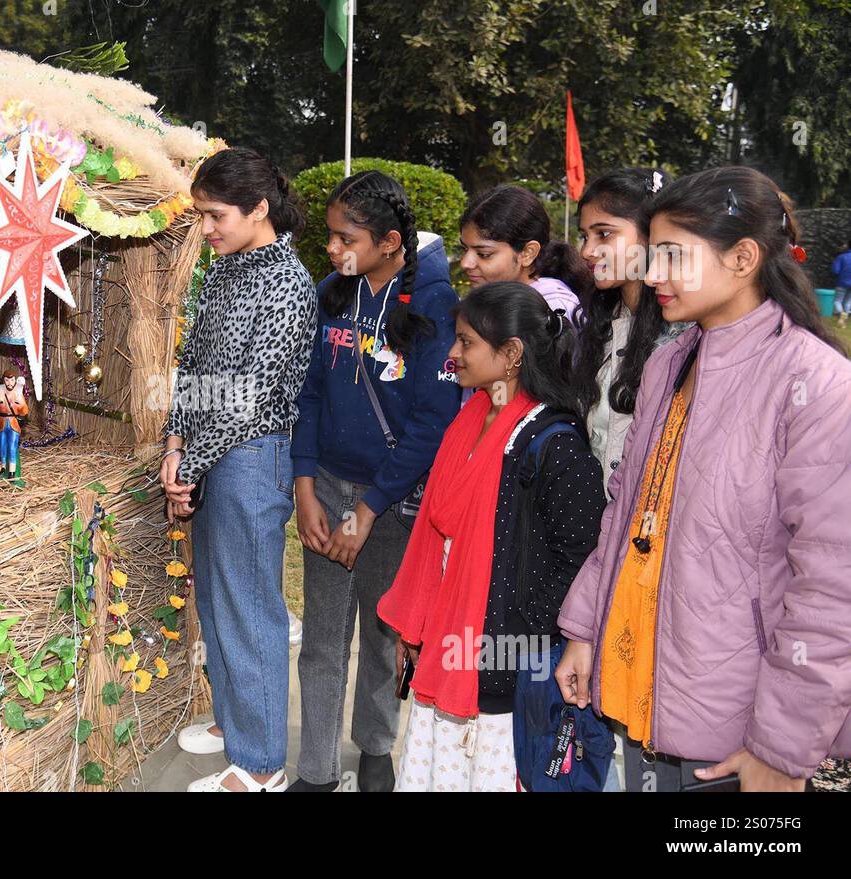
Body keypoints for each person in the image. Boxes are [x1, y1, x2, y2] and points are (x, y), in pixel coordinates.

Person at [556, 166, 851, 792]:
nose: (653, 273)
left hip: (734, 722)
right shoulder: (670, 360)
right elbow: (625, 511)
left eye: (672, 256)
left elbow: (832, 586)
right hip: (642, 685)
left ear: (743, 257)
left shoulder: (815, 385)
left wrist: (780, 747)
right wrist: (585, 628)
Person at [377, 281, 605, 792]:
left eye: (466, 342)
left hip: (501, 671)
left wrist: (514, 635)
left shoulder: (555, 446)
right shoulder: (471, 418)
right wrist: (418, 631)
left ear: (511, 354)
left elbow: (583, 558)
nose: (452, 354)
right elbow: (437, 539)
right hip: (448, 647)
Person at [288, 170, 461, 792]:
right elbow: (307, 394)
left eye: (345, 238)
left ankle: (377, 745)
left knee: (385, 633)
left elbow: (431, 423)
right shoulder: (332, 293)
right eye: (330, 237)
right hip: (328, 487)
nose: (332, 250)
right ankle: (315, 768)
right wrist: (305, 485)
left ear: (390, 241)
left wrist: (371, 509)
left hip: (394, 502)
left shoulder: (436, 306)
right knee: (322, 638)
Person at [160, 146, 317, 792]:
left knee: (252, 606)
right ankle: (233, 719)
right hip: (204, 448)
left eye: (215, 215)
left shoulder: (288, 283)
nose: (206, 229)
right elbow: (194, 361)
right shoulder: (225, 268)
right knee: (219, 596)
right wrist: (175, 440)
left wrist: (186, 465)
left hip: (253, 456)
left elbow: (249, 396)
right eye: (200, 215)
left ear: (258, 209)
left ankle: (261, 764)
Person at [576, 169, 690, 495]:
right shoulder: (598, 325)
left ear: (652, 235)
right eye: (585, 236)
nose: (587, 250)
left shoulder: (685, 336)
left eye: (604, 234)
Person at [459, 184, 593, 326]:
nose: (465, 263)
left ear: (527, 253)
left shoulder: (550, 309)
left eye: (483, 254)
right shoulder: (493, 300)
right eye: (464, 249)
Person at [0, 371, 28, 483]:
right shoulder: (0, 392)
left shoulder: (18, 393)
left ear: (15, 381)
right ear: (4, 381)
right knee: (2, 446)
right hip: (1, 422)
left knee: (12, 447)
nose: (9, 383)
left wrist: (20, 404)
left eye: (12, 380)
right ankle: (3, 468)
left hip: (13, 423)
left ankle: (12, 472)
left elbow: (25, 411)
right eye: (7, 380)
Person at [831, 238, 851, 328]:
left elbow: (835, 270)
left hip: (842, 283)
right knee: (847, 303)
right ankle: (843, 322)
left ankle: (840, 314)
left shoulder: (841, 257)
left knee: (837, 301)